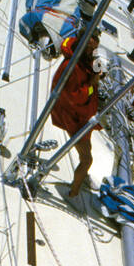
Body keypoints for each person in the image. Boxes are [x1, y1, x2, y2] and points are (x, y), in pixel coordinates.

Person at [50, 31, 100, 199]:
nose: (93, 53)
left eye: (95, 49)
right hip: (74, 118)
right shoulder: (70, 67)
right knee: (87, 159)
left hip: (85, 115)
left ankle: (83, 176)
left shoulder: (88, 59)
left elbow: (97, 68)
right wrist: (92, 86)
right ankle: (73, 193)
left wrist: (99, 69)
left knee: (87, 149)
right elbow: (73, 98)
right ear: (83, 46)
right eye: (91, 49)